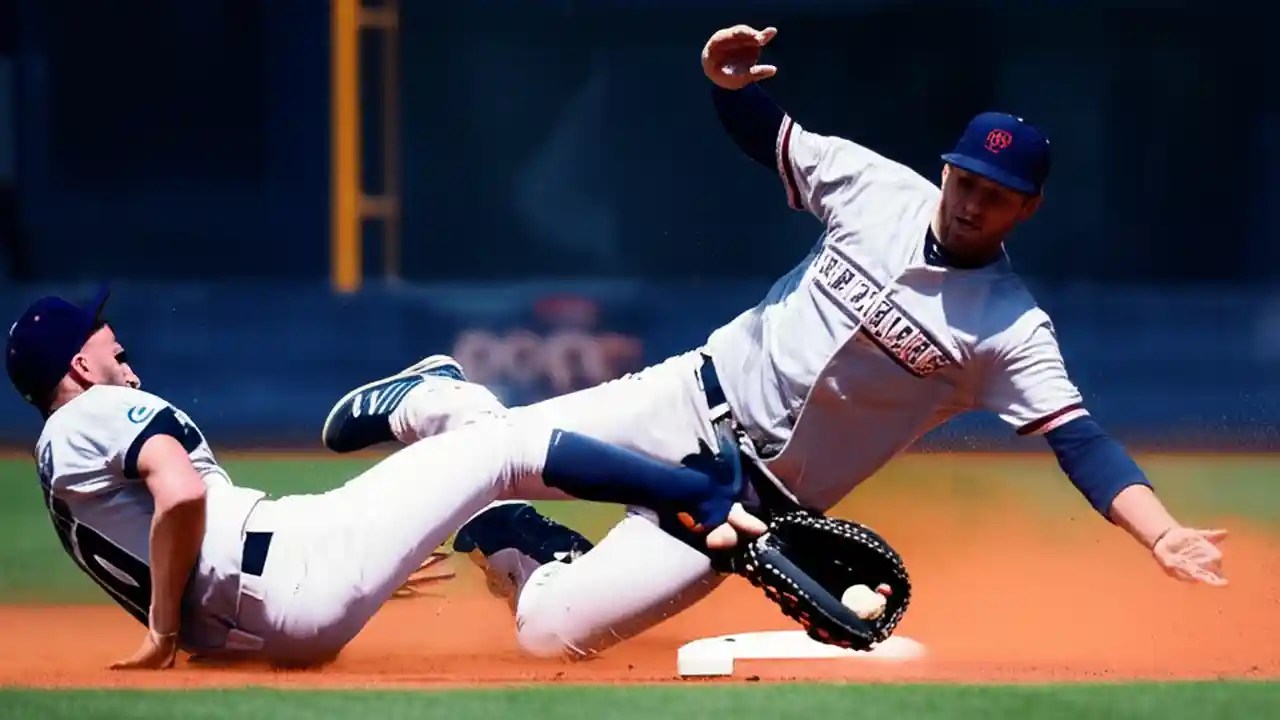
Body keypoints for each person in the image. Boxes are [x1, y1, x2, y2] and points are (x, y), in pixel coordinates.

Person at [321, 23, 1229, 660]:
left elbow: (1082, 442)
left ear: (1025, 207)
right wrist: (726, 85)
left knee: (547, 634)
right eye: (965, 174)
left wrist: (1160, 533)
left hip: (746, 504)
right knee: (491, 451)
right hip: (685, 396)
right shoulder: (878, 188)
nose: (970, 196)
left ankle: (524, 543)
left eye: (996, 191)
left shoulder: (1010, 329)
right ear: (947, 166)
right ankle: (445, 400)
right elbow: (772, 138)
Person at [5, 288, 764, 670]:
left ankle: (491, 509)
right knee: (499, 444)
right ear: (78, 363)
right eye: (102, 334)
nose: (117, 341)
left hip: (272, 616)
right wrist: (163, 628)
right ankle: (695, 491)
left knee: (484, 459)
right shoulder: (98, 408)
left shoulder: (56, 458)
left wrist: (367, 562)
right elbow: (182, 491)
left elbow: (176, 529)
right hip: (293, 565)